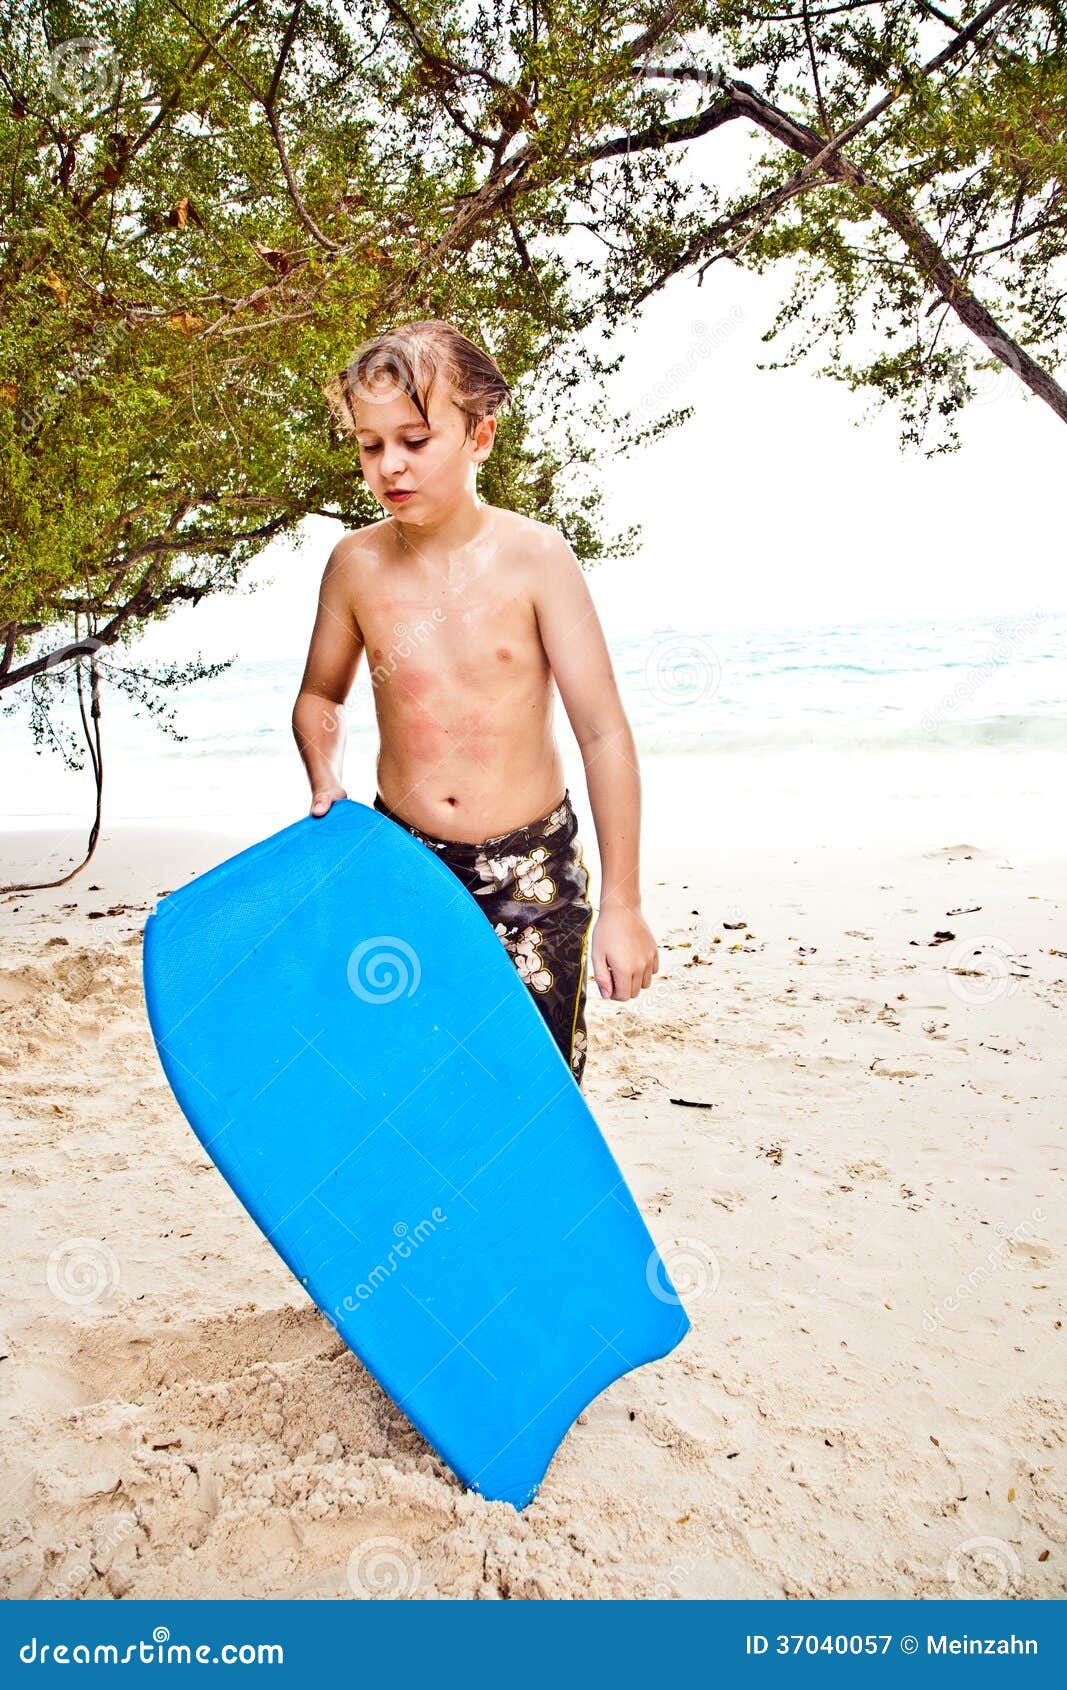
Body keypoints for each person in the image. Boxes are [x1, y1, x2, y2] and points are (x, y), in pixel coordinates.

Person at [291, 319, 657, 1088]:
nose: (389, 465)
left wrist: (621, 904)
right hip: (405, 866)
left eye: (415, 440)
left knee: (530, 1094)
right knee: (409, 1084)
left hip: (534, 874)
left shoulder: (536, 557)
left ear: (480, 436)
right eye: (369, 444)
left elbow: (602, 732)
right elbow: (322, 695)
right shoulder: (353, 566)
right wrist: (326, 774)